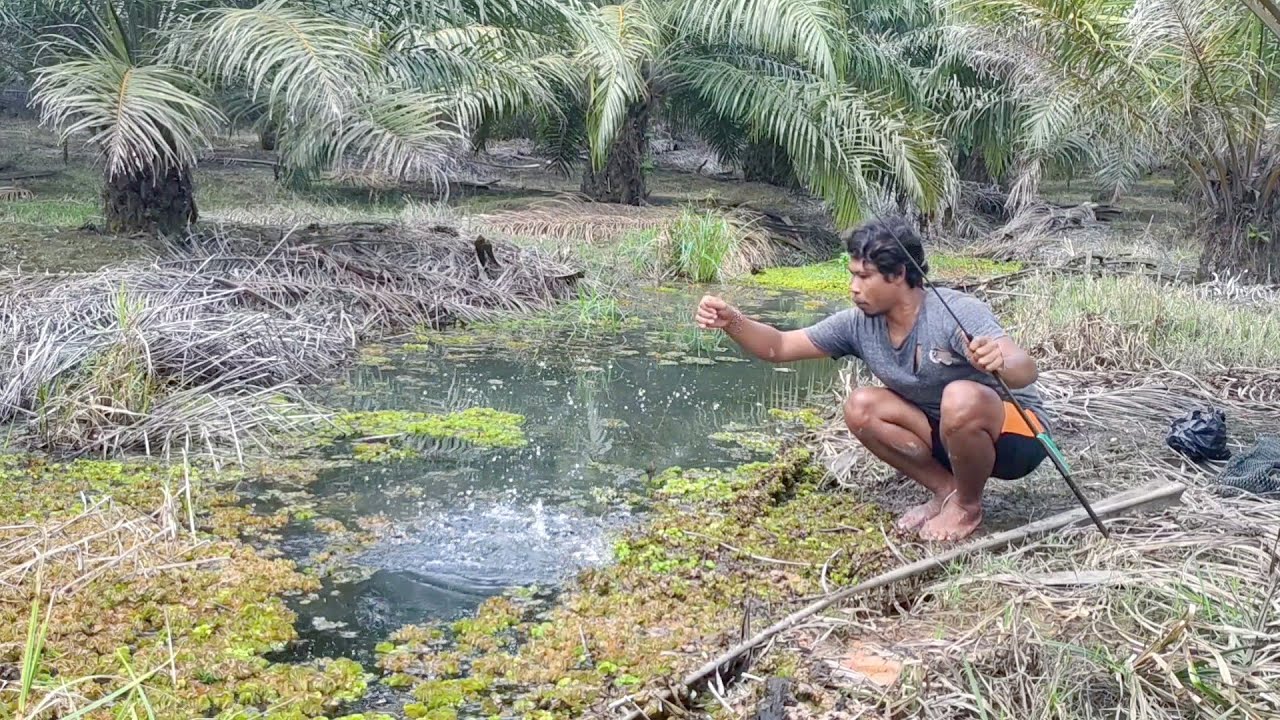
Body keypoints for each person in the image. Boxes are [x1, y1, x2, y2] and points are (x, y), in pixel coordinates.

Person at [695, 216, 1049, 541]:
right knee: (861, 406)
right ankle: (948, 492)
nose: (853, 288)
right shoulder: (857, 324)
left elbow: (1024, 368)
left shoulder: (953, 312)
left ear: (897, 275)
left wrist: (999, 359)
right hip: (944, 434)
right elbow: (780, 346)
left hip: (1016, 437)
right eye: (852, 275)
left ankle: (968, 507)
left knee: (960, 397)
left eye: (864, 277)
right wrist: (733, 321)